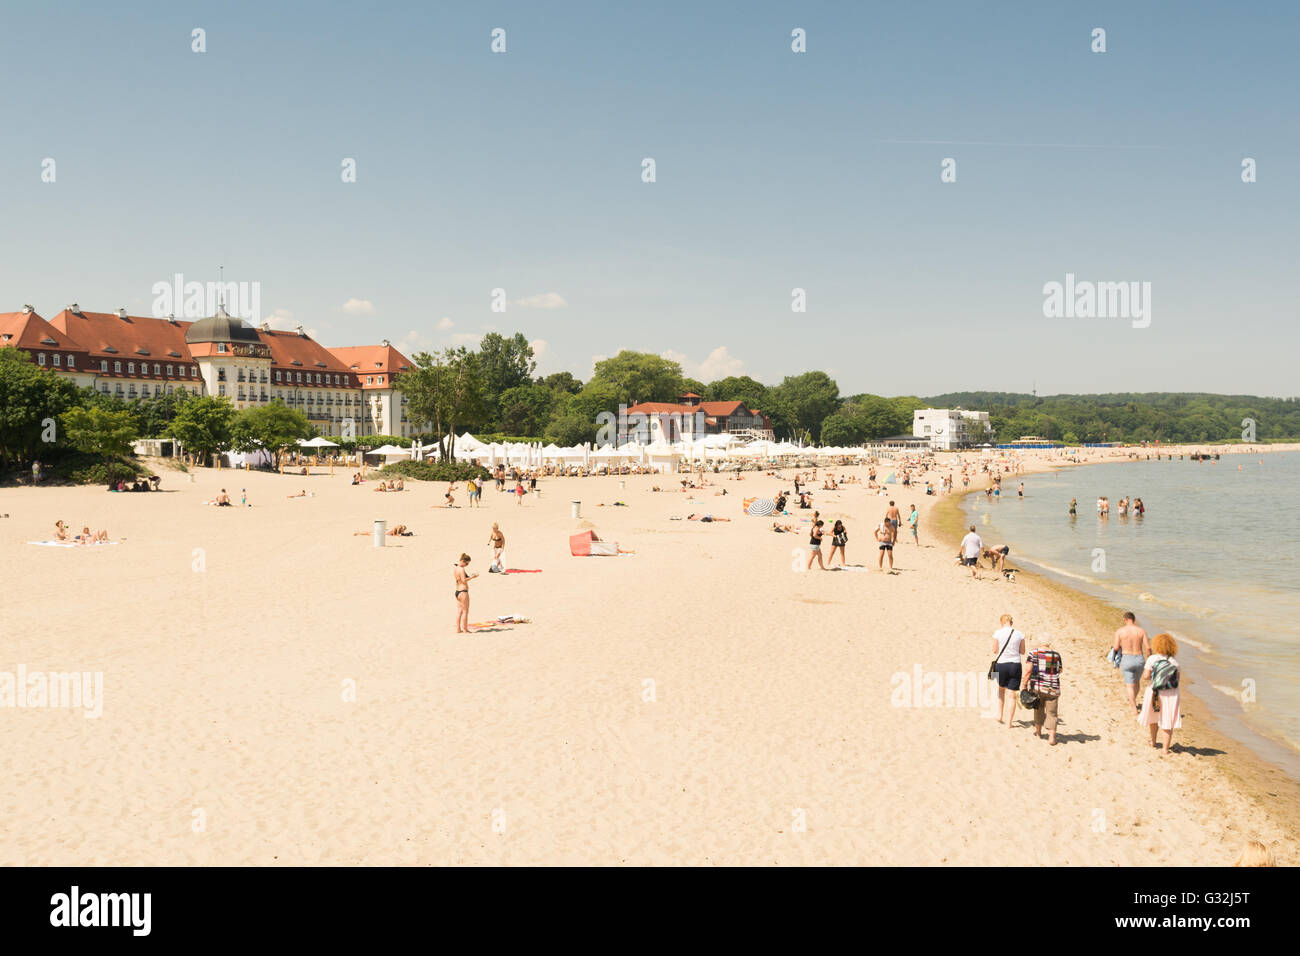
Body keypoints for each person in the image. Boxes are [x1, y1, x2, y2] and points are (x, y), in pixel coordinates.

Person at [1138, 632, 1182, 755]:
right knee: (1168, 720)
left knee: (1153, 717)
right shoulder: (1174, 662)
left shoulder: (1152, 659)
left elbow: (1146, 677)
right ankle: (1165, 749)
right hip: (1171, 694)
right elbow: (1177, 680)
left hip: (1155, 691)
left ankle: (1153, 742)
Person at [1021, 637, 1063, 744]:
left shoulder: (1033, 653)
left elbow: (1028, 670)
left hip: (1038, 687)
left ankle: (1038, 733)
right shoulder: (1056, 655)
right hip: (1053, 688)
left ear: (1039, 642)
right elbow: (1060, 670)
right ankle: (1051, 738)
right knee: (1052, 713)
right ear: (1049, 643)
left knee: (1038, 709)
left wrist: (1024, 684)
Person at [990, 614, 1025, 728]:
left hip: (1001, 664)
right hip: (1015, 664)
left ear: (1001, 622)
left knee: (1000, 690)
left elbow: (995, 650)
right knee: (1012, 695)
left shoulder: (997, 633)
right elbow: (1023, 651)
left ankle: (999, 715)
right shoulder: (1020, 634)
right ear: (1011, 622)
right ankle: (1009, 723)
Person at [1112, 611, 1151, 711]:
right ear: (1134, 620)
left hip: (1127, 658)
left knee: (1129, 685)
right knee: (1137, 682)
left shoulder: (1120, 631)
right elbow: (1148, 648)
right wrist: (1150, 659)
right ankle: (1133, 700)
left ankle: (1133, 707)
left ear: (1125, 619)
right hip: (1139, 658)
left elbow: (1116, 647)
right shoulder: (1141, 631)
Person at [454, 553, 477, 634]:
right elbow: (464, 580)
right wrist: (472, 577)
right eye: (467, 563)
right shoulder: (461, 569)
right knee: (465, 611)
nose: (467, 565)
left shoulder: (456, 568)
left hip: (457, 591)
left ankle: (458, 629)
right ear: (463, 561)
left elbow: (459, 579)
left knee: (459, 611)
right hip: (463, 591)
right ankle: (465, 629)